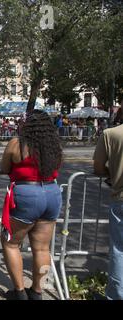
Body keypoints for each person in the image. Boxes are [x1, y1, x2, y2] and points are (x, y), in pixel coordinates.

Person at [0, 110, 63, 300]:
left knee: (11, 244)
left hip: (27, 194)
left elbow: (5, 168)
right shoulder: (54, 146)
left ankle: (19, 292)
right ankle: (37, 292)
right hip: (52, 192)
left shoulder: (17, 144)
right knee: (43, 248)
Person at [93, 108, 123, 300]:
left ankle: (116, 296)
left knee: (119, 250)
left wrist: (111, 174)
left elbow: (97, 166)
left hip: (120, 197)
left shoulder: (111, 134)